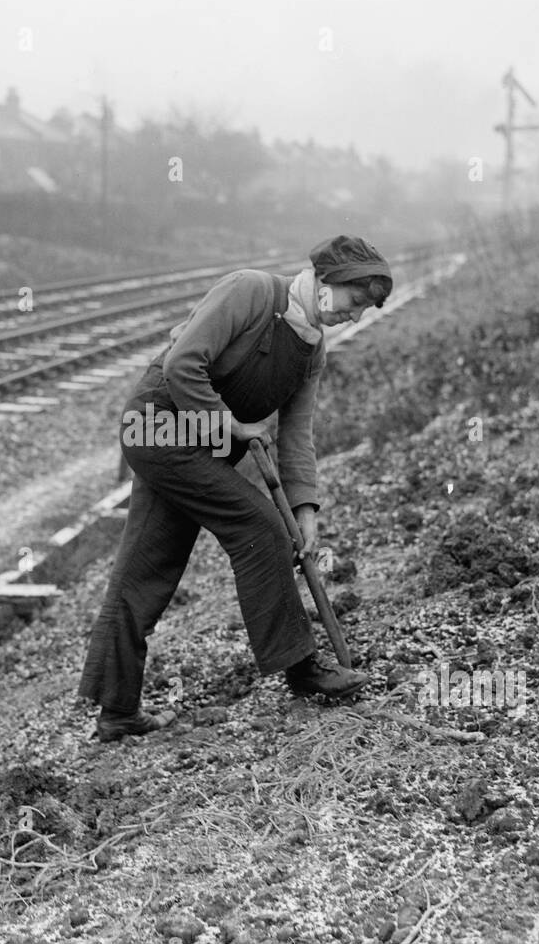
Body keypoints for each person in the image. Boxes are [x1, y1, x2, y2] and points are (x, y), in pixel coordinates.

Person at [78, 234, 395, 741]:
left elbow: (297, 434)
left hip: (197, 447)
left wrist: (306, 507)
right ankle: (303, 670)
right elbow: (184, 362)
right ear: (327, 282)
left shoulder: (312, 351)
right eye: (354, 303)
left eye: (363, 311)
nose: (353, 317)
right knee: (261, 531)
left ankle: (118, 712)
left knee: (146, 567)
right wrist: (229, 424)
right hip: (158, 427)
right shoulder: (249, 291)